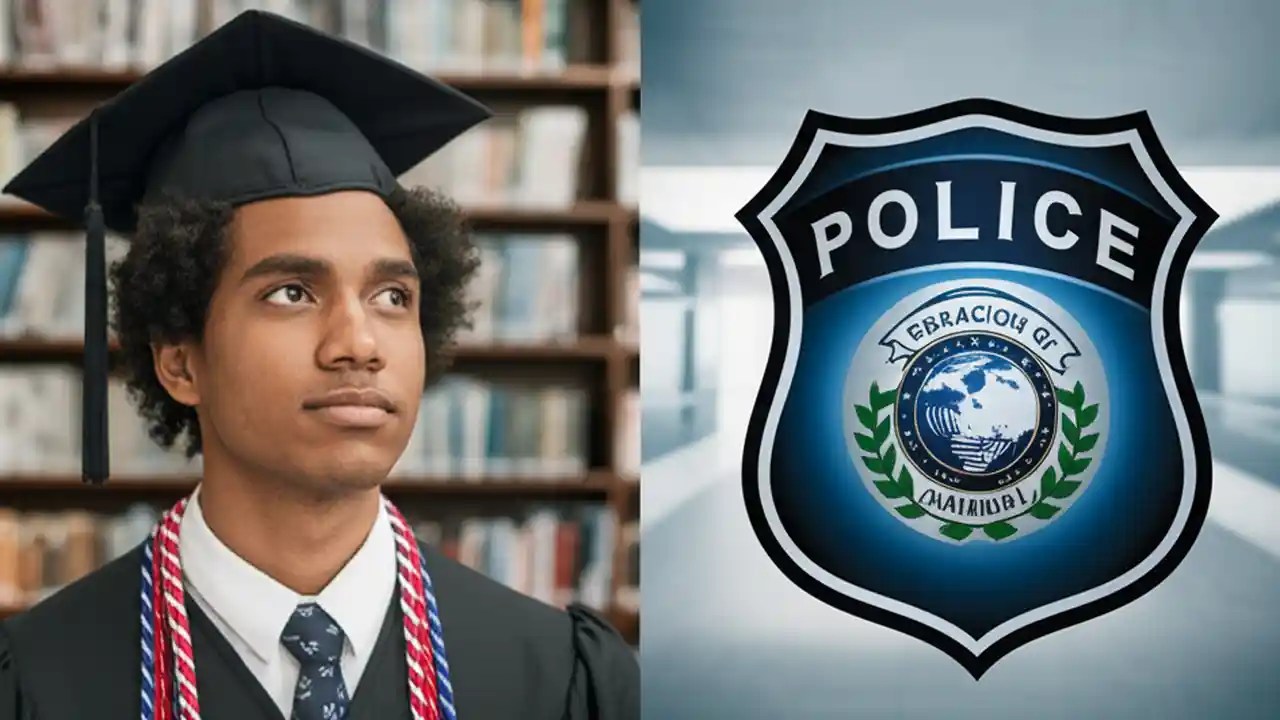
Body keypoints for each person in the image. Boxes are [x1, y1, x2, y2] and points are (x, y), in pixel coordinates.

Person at [0, 10, 638, 720]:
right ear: (179, 360)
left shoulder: (555, 677)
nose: (358, 343)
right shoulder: (40, 682)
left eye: (392, 296)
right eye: (291, 292)